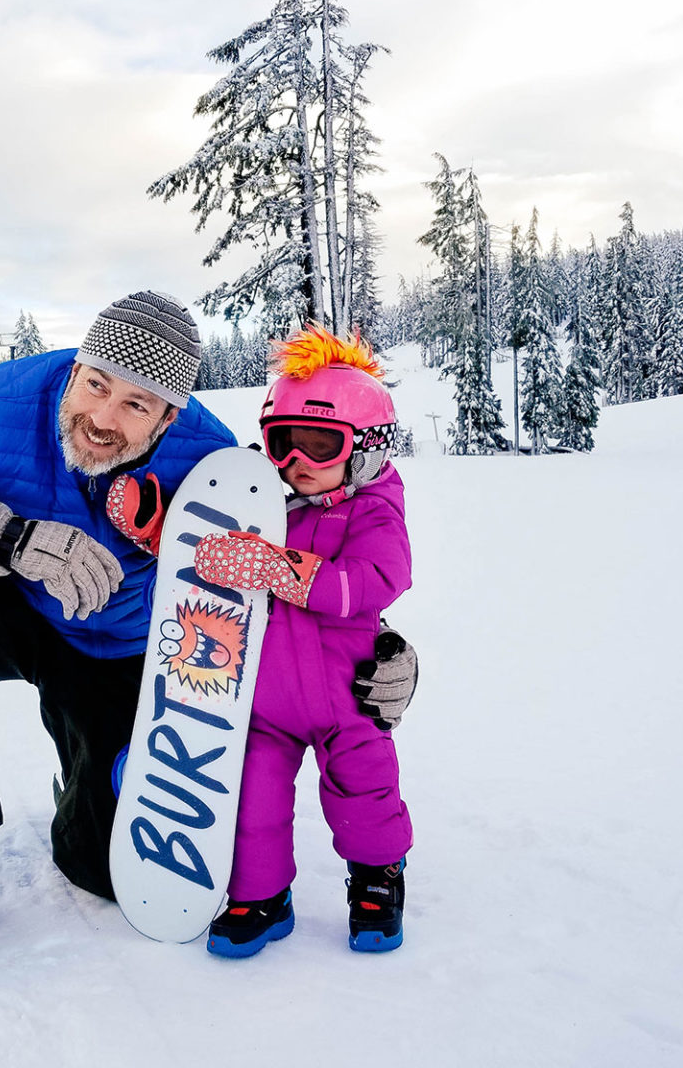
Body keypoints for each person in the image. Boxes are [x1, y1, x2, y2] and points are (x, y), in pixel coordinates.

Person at [0, 291, 419, 968]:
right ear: (75, 367)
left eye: (136, 405)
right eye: (95, 385)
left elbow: (279, 563)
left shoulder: (211, 460)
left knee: (112, 874)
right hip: (12, 610)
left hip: (131, 651)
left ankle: (86, 787)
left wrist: (381, 645)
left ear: (171, 416)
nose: (103, 418)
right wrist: (3, 538)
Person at [189, 326, 414, 957]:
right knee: (251, 804)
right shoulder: (264, 503)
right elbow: (200, 543)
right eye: (281, 442)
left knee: (365, 796)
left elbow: (376, 580)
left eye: (318, 443)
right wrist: (159, 526)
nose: (295, 463)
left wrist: (276, 571)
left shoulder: (372, 510)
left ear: (366, 449)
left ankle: (376, 880)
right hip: (264, 702)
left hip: (349, 700)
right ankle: (261, 896)